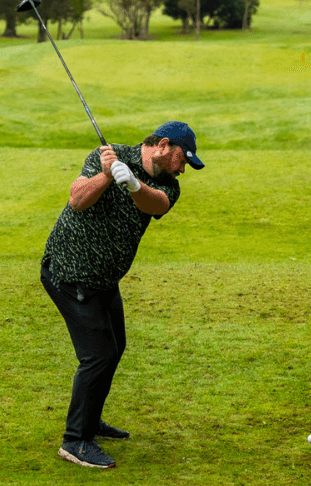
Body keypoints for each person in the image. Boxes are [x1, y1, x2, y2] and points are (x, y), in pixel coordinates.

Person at [40, 121, 204, 469]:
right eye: (182, 159)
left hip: (103, 280)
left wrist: (131, 183)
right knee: (98, 356)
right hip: (71, 274)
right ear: (163, 145)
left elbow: (156, 204)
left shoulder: (167, 184)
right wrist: (106, 176)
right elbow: (77, 199)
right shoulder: (108, 156)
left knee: (115, 348)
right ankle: (76, 441)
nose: (182, 168)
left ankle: (91, 419)